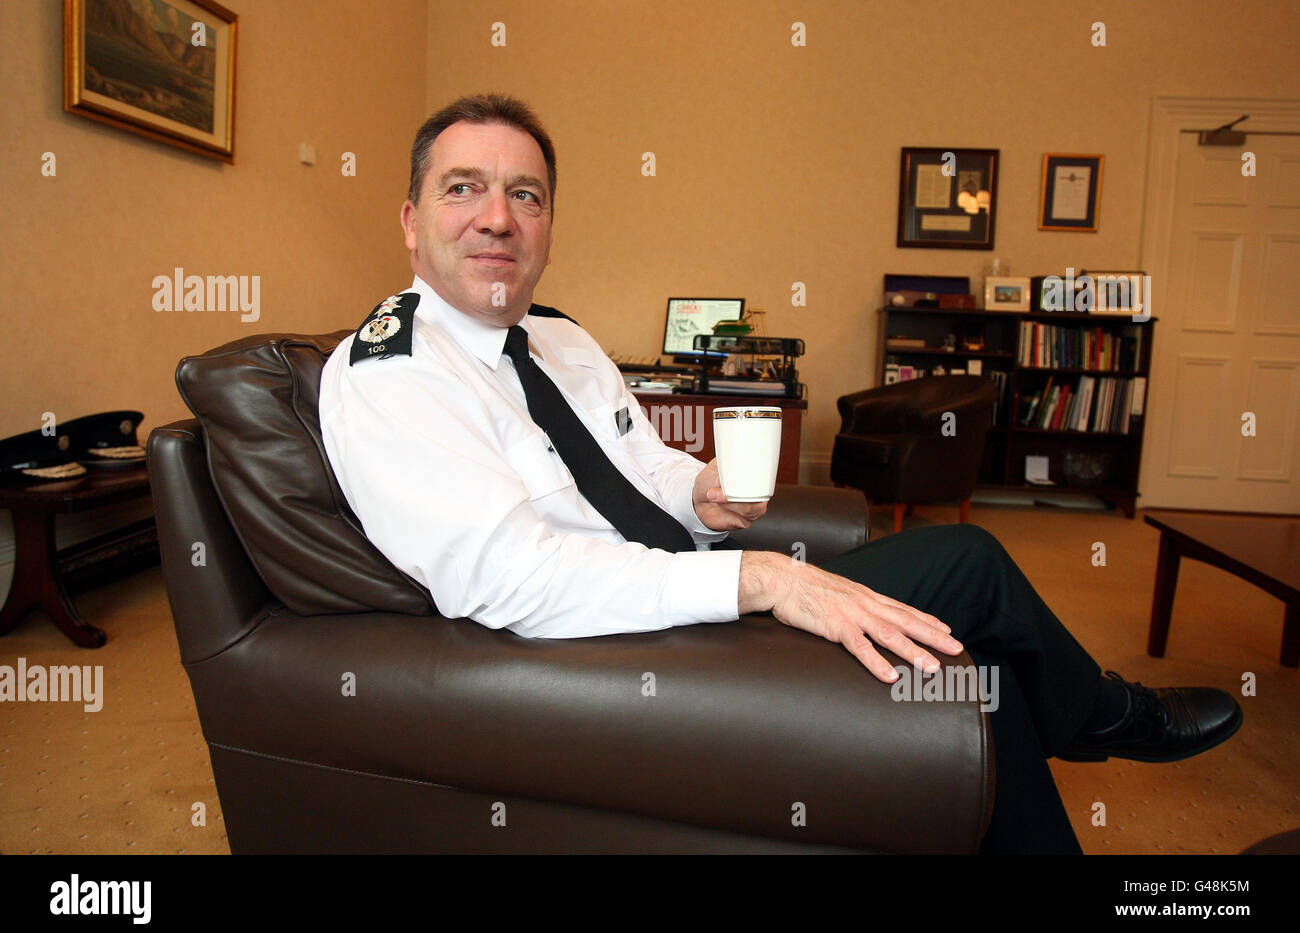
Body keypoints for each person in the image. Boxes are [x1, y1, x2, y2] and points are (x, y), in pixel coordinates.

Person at [318, 94, 1242, 854]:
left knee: (970, 662)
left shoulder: (559, 339)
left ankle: (1087, 722)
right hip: (609, 651)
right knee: (967, 571)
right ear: (411, 222)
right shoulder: (392, 375)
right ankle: (1106, 716)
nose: (498, 217)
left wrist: (696, 492)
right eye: (464, 189)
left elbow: (640, 460)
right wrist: (761, 579)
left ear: (549, 225)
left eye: (526, 195)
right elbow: (509, 578)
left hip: (689, 597)